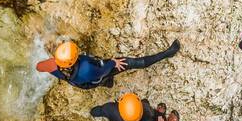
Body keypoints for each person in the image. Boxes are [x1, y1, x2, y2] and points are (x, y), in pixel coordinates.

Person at [36, 38, 180, 89]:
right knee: (132, 63)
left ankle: (107, 83)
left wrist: (52, 63)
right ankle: (168, 53)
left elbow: (38, 66)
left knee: (100, 81)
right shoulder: (85, 69)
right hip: (97, 74)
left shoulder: (55, 65)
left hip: (82, 82)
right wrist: (112, 62)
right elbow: (102, 71)